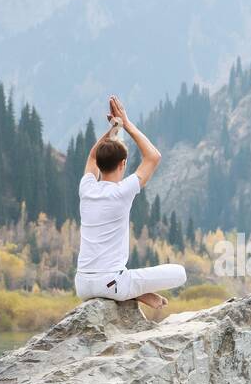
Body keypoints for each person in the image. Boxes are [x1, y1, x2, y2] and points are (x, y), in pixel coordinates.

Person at [74, 96, 186, 311]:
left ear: (98, 162)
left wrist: (114, 130)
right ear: (123, 164)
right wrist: (126, 123)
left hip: (82, 284)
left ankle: (137, 291)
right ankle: (136, 292)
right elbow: (153, 156)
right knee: (179, 273)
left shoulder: (86, 189)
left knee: (125, 277)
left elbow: (91, 156)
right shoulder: (121, 192)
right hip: (112, 283)